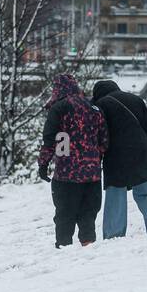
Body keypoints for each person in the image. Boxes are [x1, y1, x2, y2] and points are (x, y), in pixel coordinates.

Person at [37, 73, 108, 248]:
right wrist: (93, 158)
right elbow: (104, 141)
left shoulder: (59, 108)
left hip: (66, 175)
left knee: (65, 216)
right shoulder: (94, 108)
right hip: (92, 175)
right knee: (88, 214)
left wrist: (43, 164)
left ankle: (64, 250)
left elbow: (50, 139)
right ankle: (88, 247)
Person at [92, 79, 147, 239]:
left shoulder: (101, 105)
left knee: (116, 196)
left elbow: (101, 136)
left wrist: (96, 160)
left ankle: (114, 235)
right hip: (143, 152)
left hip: (116, 156)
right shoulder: (135, 100)